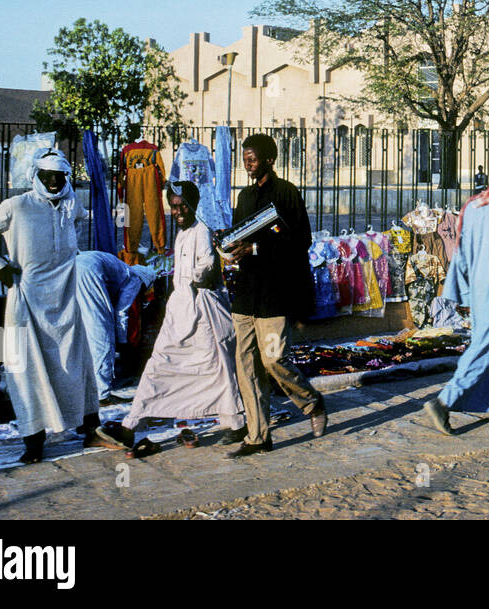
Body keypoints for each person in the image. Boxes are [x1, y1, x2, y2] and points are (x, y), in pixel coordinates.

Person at [0, 149, 104, 464]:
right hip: (26, 301)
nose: (54, 182)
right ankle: (34, 440)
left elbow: (76, 228)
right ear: (35, 176)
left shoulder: (71, 204)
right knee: (26, 372)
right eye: (47, 176)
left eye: (60, 176)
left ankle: (90, 426)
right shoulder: (16, 207)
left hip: (65, 301)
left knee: (75, 365)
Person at [97, 181, 247, 454]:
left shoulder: (202, 232)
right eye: (174, 207)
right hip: (180, 313)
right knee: (160, 366)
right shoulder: (181, 235)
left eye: (183, 206)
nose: (178, 212)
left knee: (219, 368)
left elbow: (207, 268)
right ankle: (131, 425)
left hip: (202, 314)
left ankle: (235, 422)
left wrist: (206, 269)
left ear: (194, 205)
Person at [223, 134, 326, 458]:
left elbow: (301, 240)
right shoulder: (243, 196)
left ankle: (311, 402)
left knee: (273, 360)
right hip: (245, 294)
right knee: (247, 367)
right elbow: (238, 234)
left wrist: (255, 248)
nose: (247, 164)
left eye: (252, 158)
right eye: (244, 158)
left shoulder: (287, 193)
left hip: (275, 294)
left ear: (269, 159)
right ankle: (258, 436)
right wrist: (230, 249)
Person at [424, 157, 489, 435]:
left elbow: (461, 251)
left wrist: (460, 289)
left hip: (481, 289)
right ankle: (444, 401)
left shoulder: (473, 205)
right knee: (486, 346)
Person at [74, 251, 156, 404]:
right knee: (102, 334)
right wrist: (123, 342)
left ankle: (81, 385)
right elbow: (121, 312)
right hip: (90, 273)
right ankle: (102, 394)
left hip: (75, 266)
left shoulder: (124, 270)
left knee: (81, 332)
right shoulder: (134, 280)